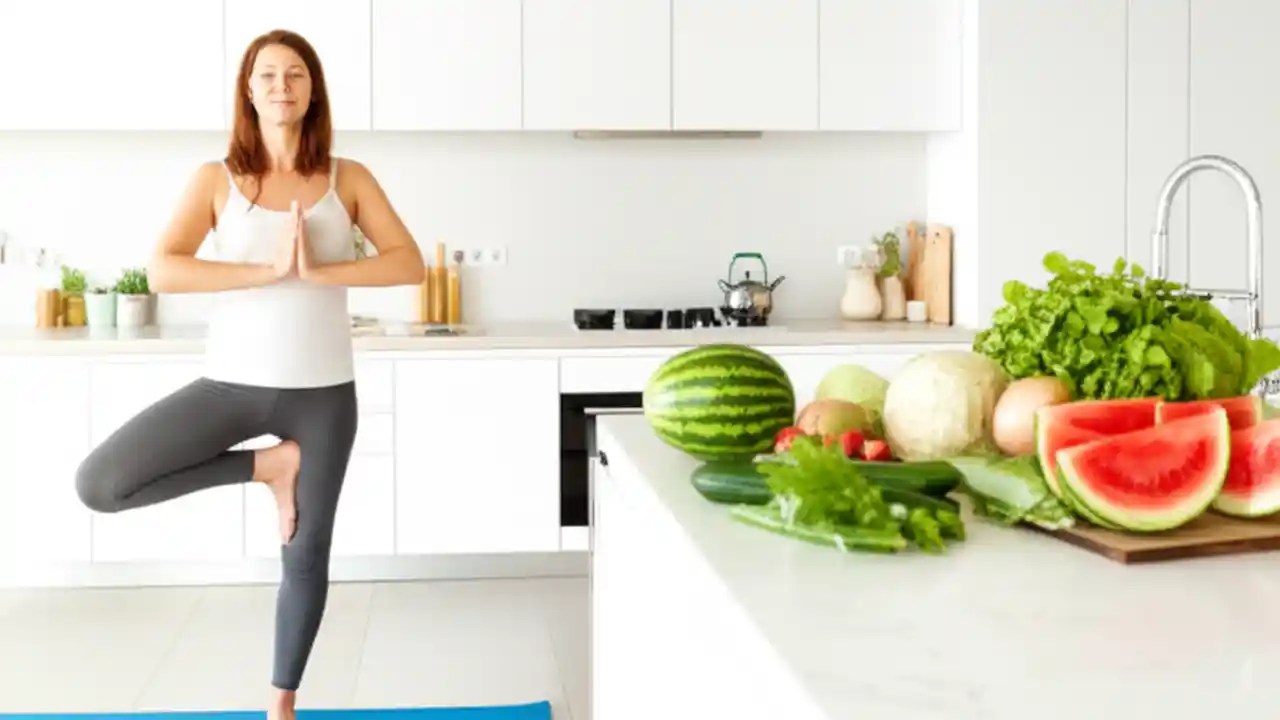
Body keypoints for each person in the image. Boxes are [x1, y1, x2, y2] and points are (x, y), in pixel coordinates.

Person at [73, 29, 425, 720]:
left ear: (313, 89)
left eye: (296, 74)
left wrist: (322, 271)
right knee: (101, 484)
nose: (281, 86)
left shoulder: (345, 178)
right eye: (267, 75)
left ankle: (281, 705)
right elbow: (167, 268)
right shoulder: (216, 179)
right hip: (230, 385)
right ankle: (268, 468)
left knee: (305, 554)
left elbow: (408, 262)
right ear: (248, 89)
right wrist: (266, 272)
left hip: (324, 394)